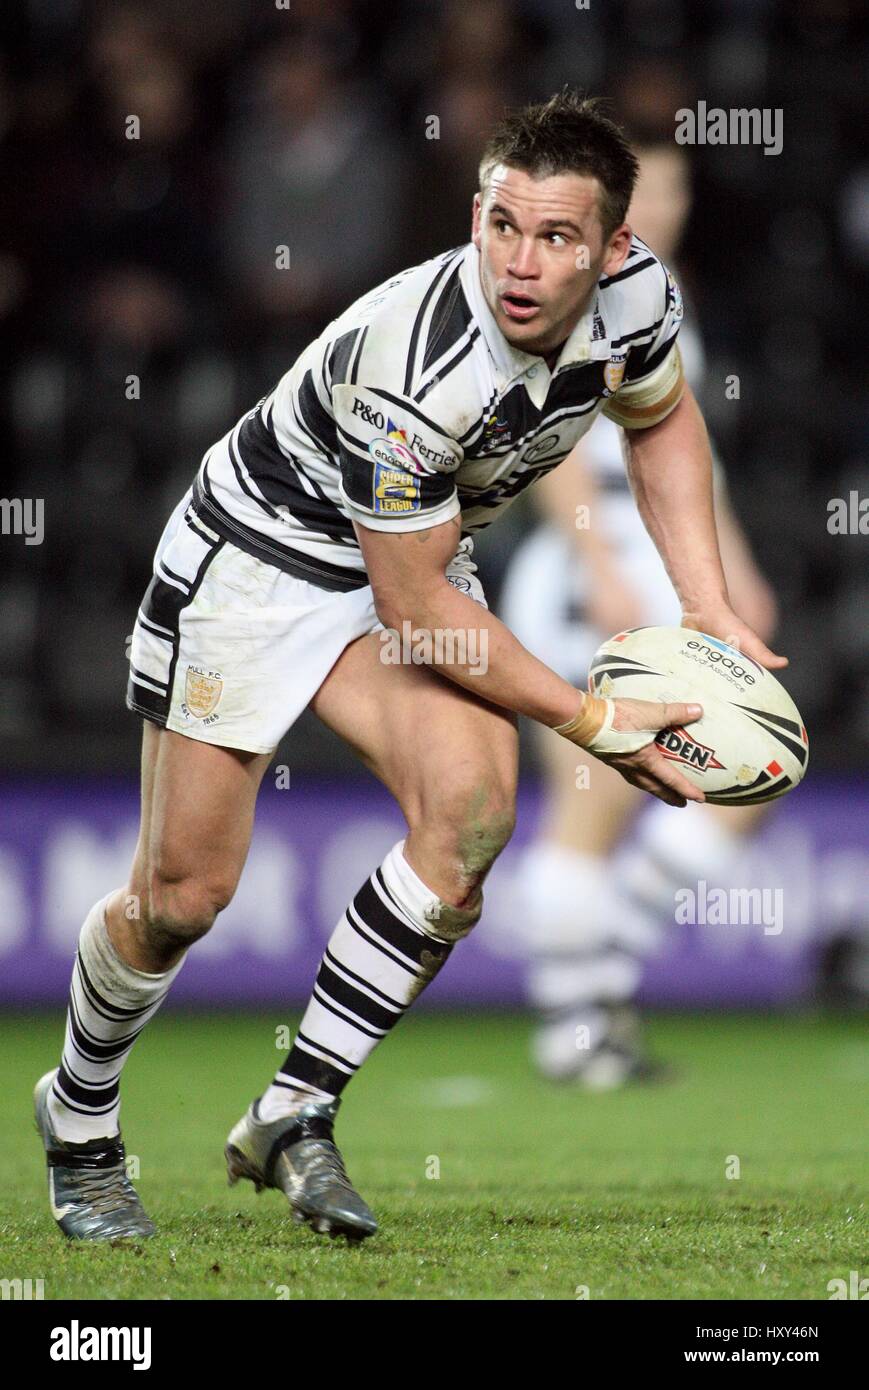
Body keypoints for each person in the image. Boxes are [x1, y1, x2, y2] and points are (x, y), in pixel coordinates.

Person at [34, 92, 785, 1244]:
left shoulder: (639, 301)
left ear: (613, 249)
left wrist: (704, 603)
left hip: (411, 554)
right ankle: (79, 1117)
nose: (519, 262)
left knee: (473, 811)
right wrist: (592, 720)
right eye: (499, 226)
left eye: (554, 238)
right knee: (183, 896)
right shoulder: (417, 366)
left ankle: (295, 1107)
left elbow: (661, 415)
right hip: (259, 553)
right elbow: (415, 607)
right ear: (473, 212)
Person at [500, 139, 779, 1088]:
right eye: (647, 186)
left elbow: (685, 451)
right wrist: (594, 563)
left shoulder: (662, 294)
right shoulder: (582, 286)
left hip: (664, 561)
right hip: (598, 561)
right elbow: (555, 440)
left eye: (677, 185)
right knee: (593, 798)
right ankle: (570, 1027)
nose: (664, 202)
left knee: (750, 777)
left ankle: (596, 986)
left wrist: (732, 573)